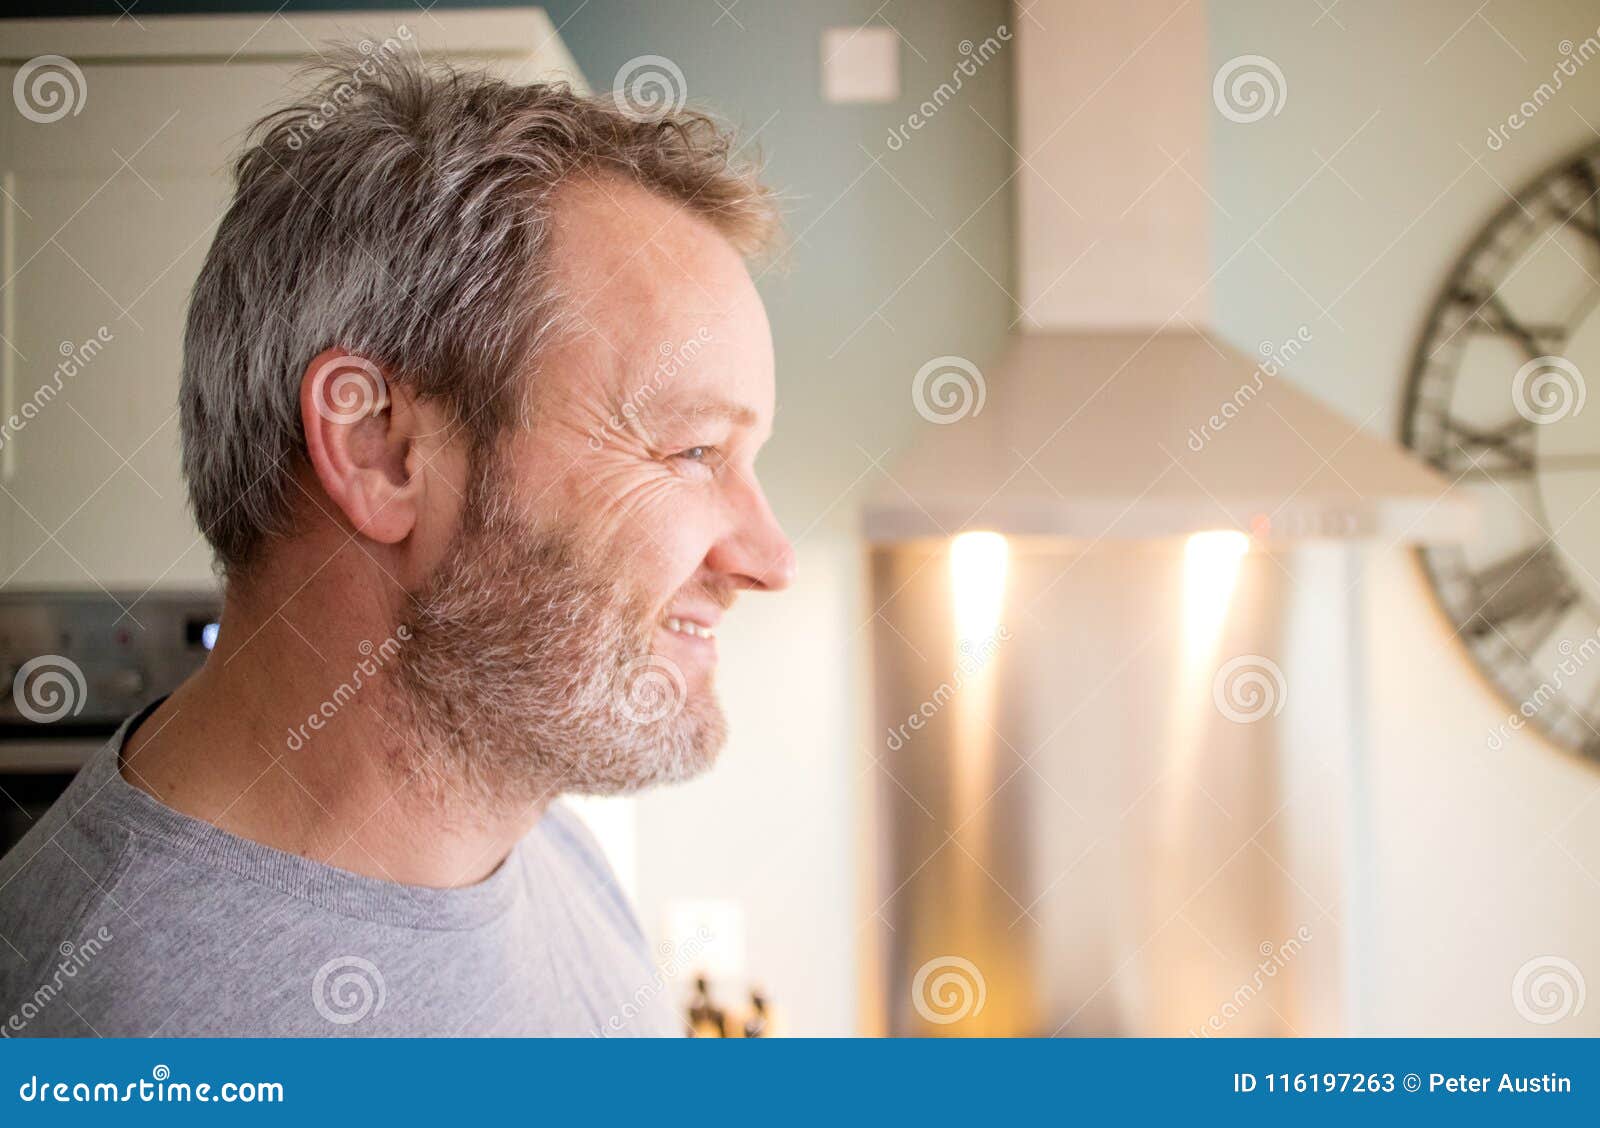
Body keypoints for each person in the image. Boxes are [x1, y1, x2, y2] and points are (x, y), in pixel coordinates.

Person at [0, 52, 793, 1037]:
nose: (768, 560)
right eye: (692, 450)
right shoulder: (111, 1033)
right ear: (378, 450)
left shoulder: (548, 852)